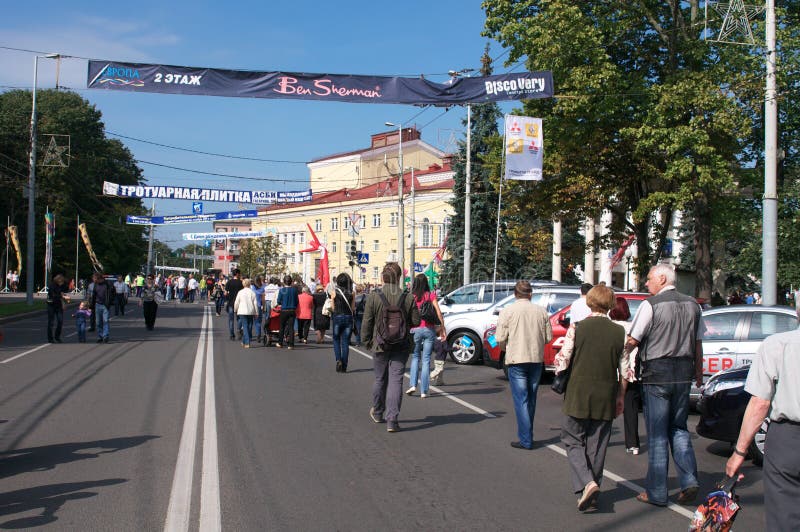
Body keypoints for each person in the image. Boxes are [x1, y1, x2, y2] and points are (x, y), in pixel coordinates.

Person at [626, 264, 703, 507]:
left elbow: (633, 339)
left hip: (657, 375)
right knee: (679, 428)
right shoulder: (694, 304)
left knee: (658, 434)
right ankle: (689, 480)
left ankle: (657, 492)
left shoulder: (651, 305)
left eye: (648, 279)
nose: (646, 284)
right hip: (684, 374)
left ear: (662, 278)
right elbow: (698, 343)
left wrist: (620, 356)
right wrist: (699, 373)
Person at [725, 308, 800, 531]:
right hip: (787, 439)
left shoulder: (778, 345)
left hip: (788, 439)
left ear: (797, 312)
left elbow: (760, 403)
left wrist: (739, 453)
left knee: (784, 515)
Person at [559, 285, 628, 511]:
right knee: (597, 444)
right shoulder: (619, 332)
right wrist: (621, 396)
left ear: (590, 302)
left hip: (578, 391)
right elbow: (625, 369)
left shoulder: (577, 327)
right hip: (606, 392)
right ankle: (592, 490)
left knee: (572, 439)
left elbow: (563, 360)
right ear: (610, 304)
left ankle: (587, 484)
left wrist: (558, 372)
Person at [494, 280, 553, 450]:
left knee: (521, 400)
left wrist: (506, 347)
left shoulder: (508, 311)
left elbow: (499, 338)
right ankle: (528, 435)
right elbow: (548, 337)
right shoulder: (541, 311)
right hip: (535, 359)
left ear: (515, 294)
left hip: (516, 359)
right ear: (530, 294)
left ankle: (526, 439)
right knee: (531, 399)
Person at [362, 262, 420, 432]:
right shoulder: (407, 296)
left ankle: (378, 412)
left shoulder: (374, 295)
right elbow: (416, 321)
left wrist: (367, 341)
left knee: (380, 379)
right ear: (400, 277)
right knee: (396, 380)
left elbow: (367, 321)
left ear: (383, 277)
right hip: (401, 344)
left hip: (380, 344)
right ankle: (392, 420)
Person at [608, 297, 641, 455]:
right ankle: (632, 443)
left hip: (611, 372)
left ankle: (603, 438)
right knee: (631, 408)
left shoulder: (610, 328)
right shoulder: (633, 328)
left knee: (607, 407)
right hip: (631, 372)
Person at [406, 273, 446, 398]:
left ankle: (412, 385)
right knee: (426, 360)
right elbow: (438, 312)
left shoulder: (412, 296)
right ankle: (424, 391)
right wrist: (442, 328)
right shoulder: (431, 295)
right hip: (429, 329)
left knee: (415, 357)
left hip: (415, 330)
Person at [331, 273, 355, 372]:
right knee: (345, 342)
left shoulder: (334, 292)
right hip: (348, 318)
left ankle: (338, 360)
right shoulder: (352, 293)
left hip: (337, 316)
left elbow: (333, 308)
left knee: (336, 340)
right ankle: (344, 366)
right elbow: (353, 308)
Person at [91, 272, 115, 343]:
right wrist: (92, 305)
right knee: (98, 322)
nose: (94, 281)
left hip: (105, 305)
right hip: (97, 304)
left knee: (105, 321)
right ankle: (100, 336)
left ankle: (105, 336)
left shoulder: (108, 284)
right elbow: (94, 295)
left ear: (99, 279)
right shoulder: (96, 284)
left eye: (95, 279)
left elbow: (113, 292)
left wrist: (110, 301)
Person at [234, 278, 258, 348]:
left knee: (245, 327)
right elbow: (255, 303)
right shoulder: (252, 292)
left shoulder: (240, 292)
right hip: (250, 311)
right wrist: (256, 312)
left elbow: (237, 302)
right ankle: (246, 341)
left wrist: (235, 309)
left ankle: (246, 342)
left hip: (242, 311)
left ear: (243, 284)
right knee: (249, 326)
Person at [276, 275, 298, 349]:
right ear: (291, 282)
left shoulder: (282, 290)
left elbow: (278, 301)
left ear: (284, 282)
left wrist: (283, 302)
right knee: (291, 328)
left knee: (282, 327)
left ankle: (280, 343)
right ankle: (291, 345)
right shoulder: (294, 290)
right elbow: (297, 301)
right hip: (292, 310)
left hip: (284, 310)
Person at [46, 273, 70, 343]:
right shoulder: (52, 285)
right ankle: (50, 338)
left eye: (62, 282)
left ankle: (57, 336)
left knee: (60, 321)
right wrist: (62, 296)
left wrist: (64, 297)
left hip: (58, 305)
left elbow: (66, 289)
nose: (61, 284)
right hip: (51, 304)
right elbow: (53, 295)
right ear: (58, 280)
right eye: (61, 282)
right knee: (51, 322)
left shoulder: (63, 285)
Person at [225, 269, 244, 341]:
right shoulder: (241, 283)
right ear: (237, 274)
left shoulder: (229, 282)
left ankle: (232, 335)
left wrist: (228, 298)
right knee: (239, 318)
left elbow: (225, 293)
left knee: (231, 320)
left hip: (231, 303)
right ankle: (239, 329)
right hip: (239, 303)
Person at [252, 276, 266, 342]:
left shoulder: (252, 288)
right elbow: (263, 299)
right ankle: (258, 336)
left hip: (252, 306)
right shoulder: (262, 288)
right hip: (259, 306)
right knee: (258, 322)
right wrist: (264, 307)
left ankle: (249, 335)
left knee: (250, 322)